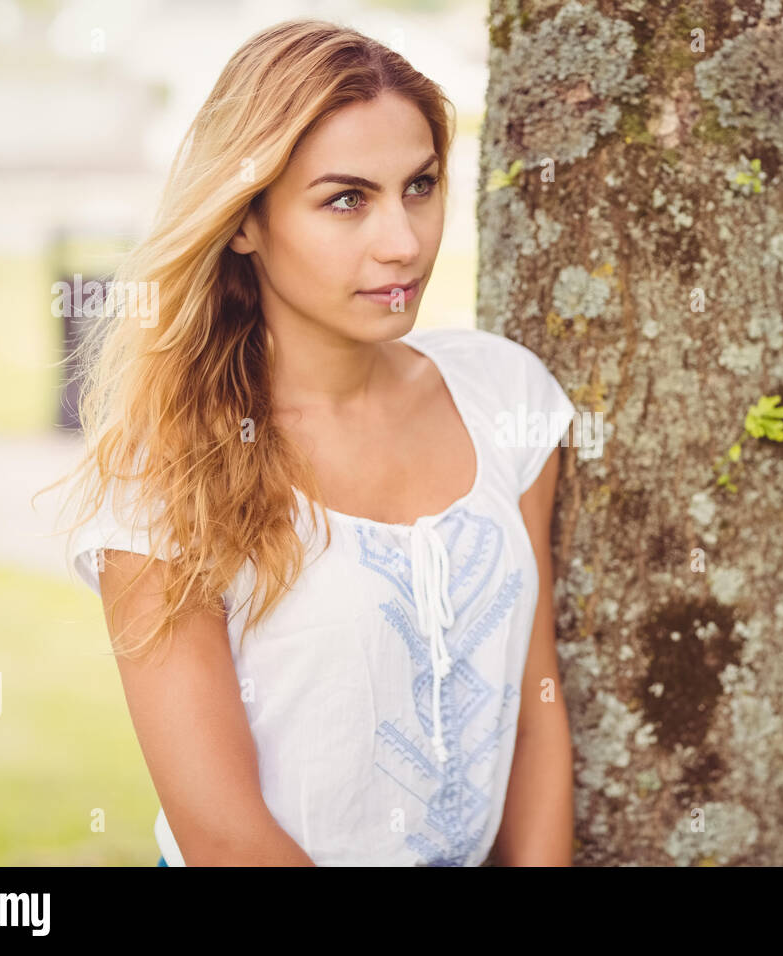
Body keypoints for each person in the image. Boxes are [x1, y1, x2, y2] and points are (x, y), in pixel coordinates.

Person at [43, 18, 576, 867]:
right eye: (346, 199)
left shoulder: (502, 396)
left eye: (421, 186)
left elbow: (536, 701)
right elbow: (222, 836)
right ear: (245, 220)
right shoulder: (165, 472)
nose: (402, 241)